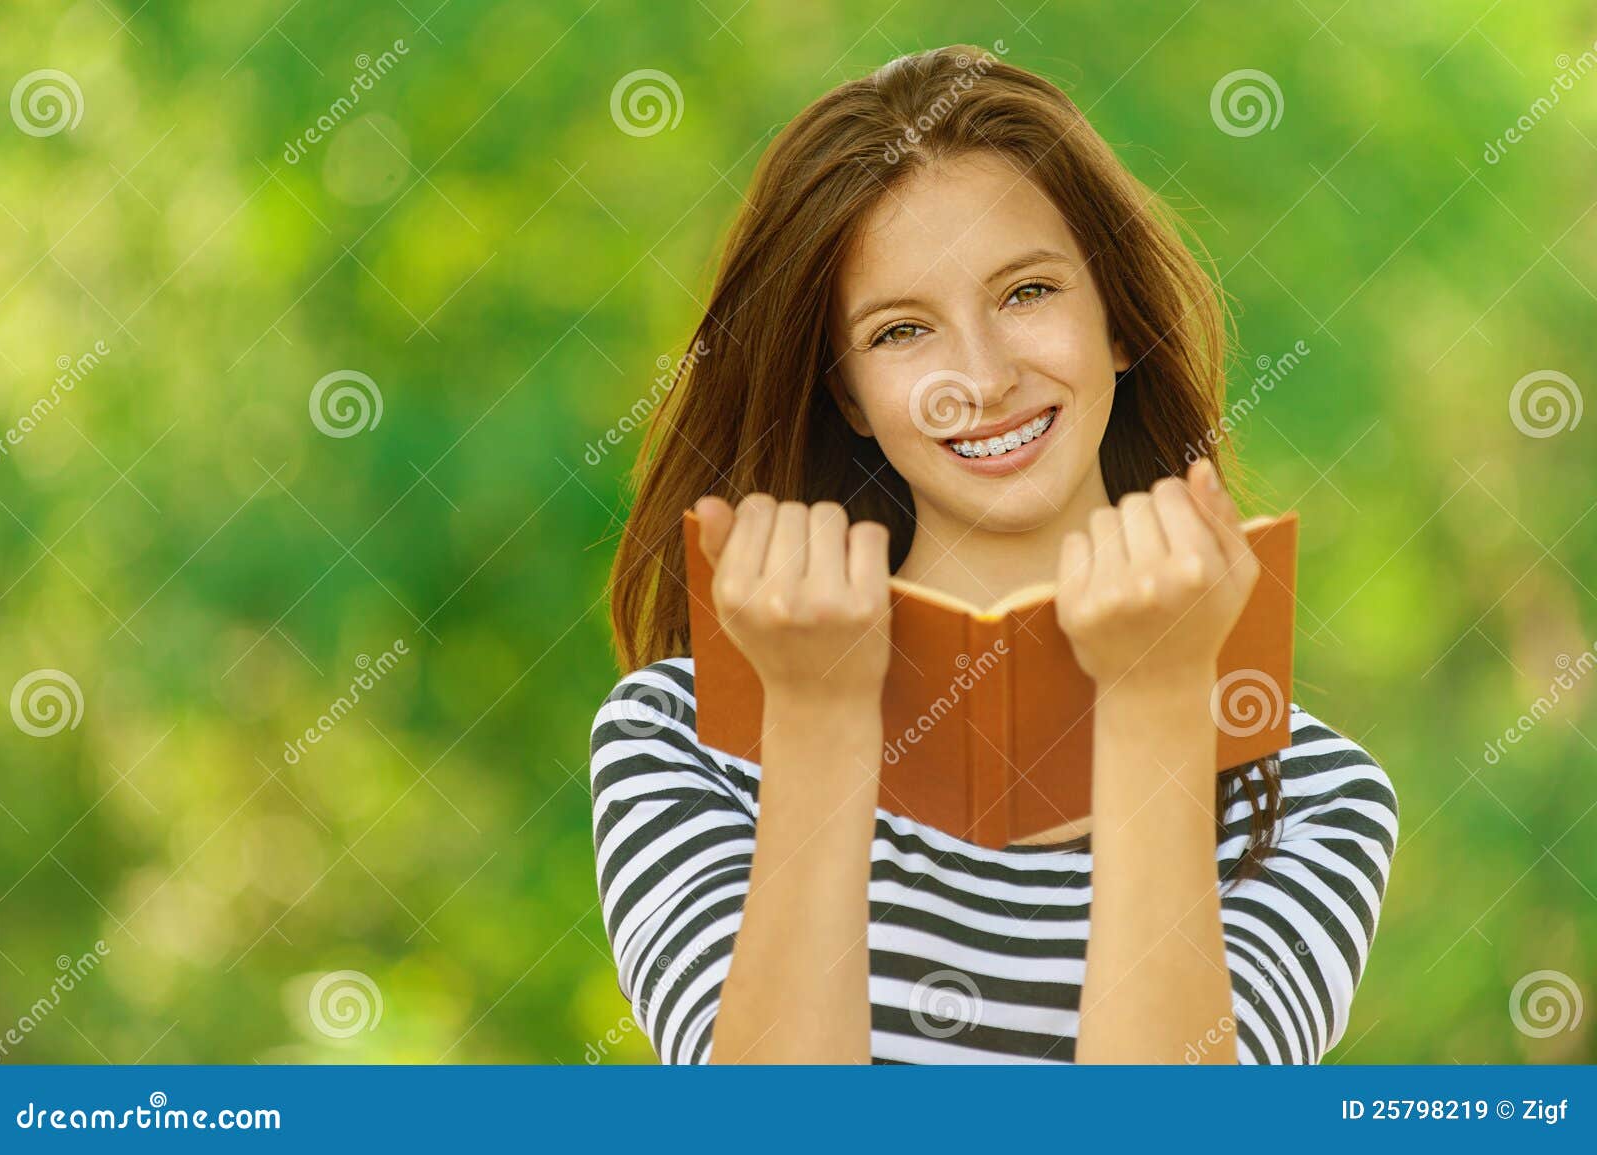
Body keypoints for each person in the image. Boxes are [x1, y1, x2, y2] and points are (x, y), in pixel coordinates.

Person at [590, 45, 1398, 1064]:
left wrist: (1155, 702)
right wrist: (816, 718)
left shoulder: (1311, 795)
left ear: (1116, 320)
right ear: (847, 396)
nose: (978, 378)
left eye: (1025, 294)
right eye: (899, 333)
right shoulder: (679, 733)